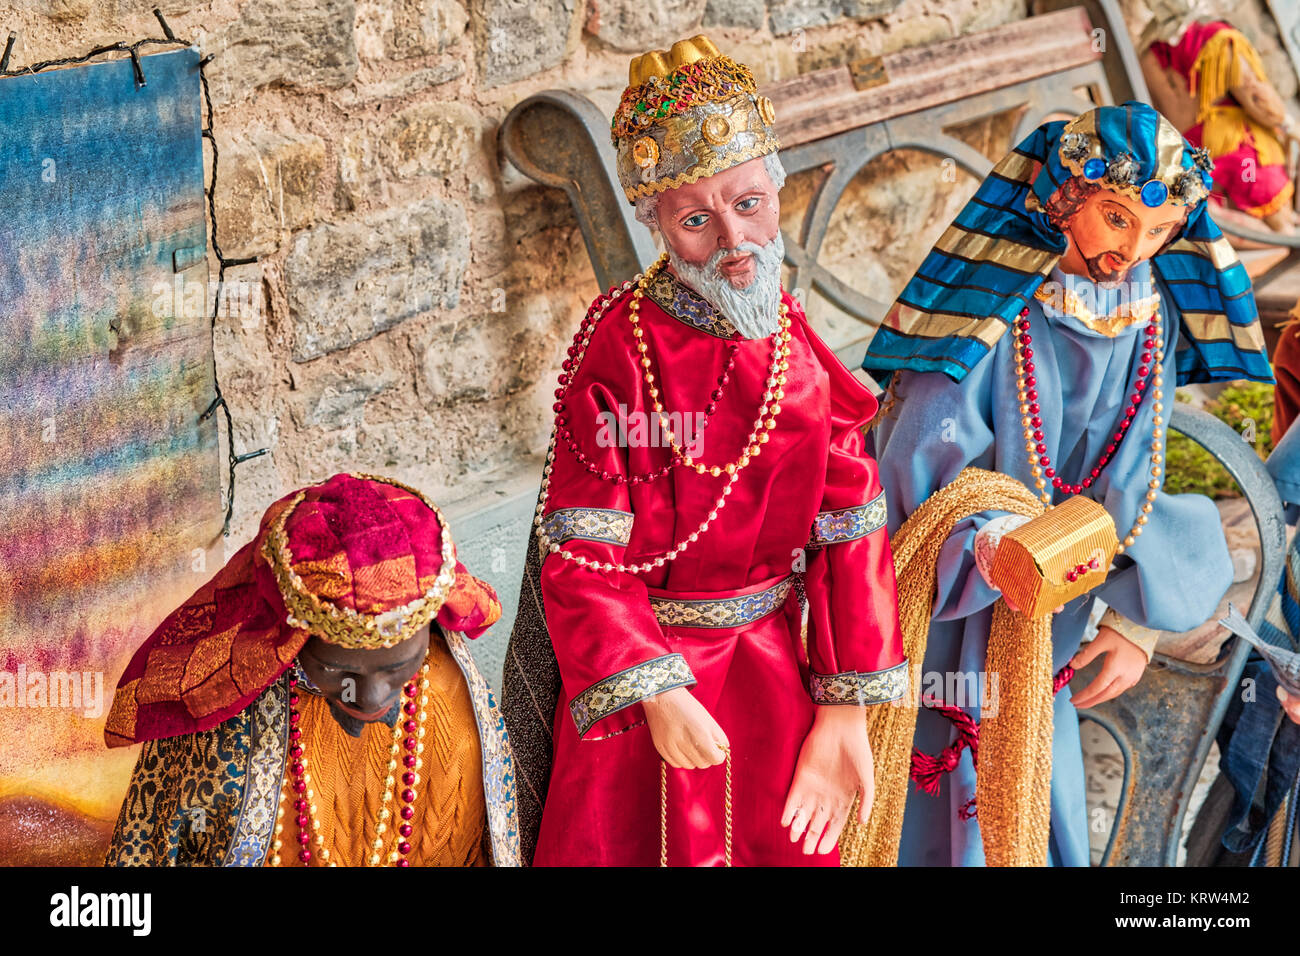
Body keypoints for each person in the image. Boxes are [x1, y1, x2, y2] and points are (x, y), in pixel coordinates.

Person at [503, 35, 906, 867]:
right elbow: (581, 555)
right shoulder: (620, 350)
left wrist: (844, 708)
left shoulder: (792, 334)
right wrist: (652, 689)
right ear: (655, 222)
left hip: (773, 677)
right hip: (652, 690)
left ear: (778, 187)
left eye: (750, 203)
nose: (733, 239)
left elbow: (850, 521)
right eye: (696, 219)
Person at [863, 102, 1273, 865]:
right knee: (942, 775)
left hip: (1053, 619)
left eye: (1157, 232)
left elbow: (1135, 466)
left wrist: (1135, 620)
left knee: (1032, 778)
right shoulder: (987, 316)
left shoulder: (1148, 316)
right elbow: (917, 464)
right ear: (1062, 199)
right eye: (1116, 219)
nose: (1133, 249)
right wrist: (991, 544)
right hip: (954, 609)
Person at [103, 472, 519, 866]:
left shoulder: (457, 705)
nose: (370, 698)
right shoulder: (222, 726)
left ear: (429, 631)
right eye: (338, 671)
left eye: (397, 667)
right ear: (287, 641)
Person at [1138, 1, 1297, 233]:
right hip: (1243, 160)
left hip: (1197, 162)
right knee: (1282, 227)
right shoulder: (1218, 38)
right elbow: (1257, 98)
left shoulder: (1148, 52)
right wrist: (1290, 126)